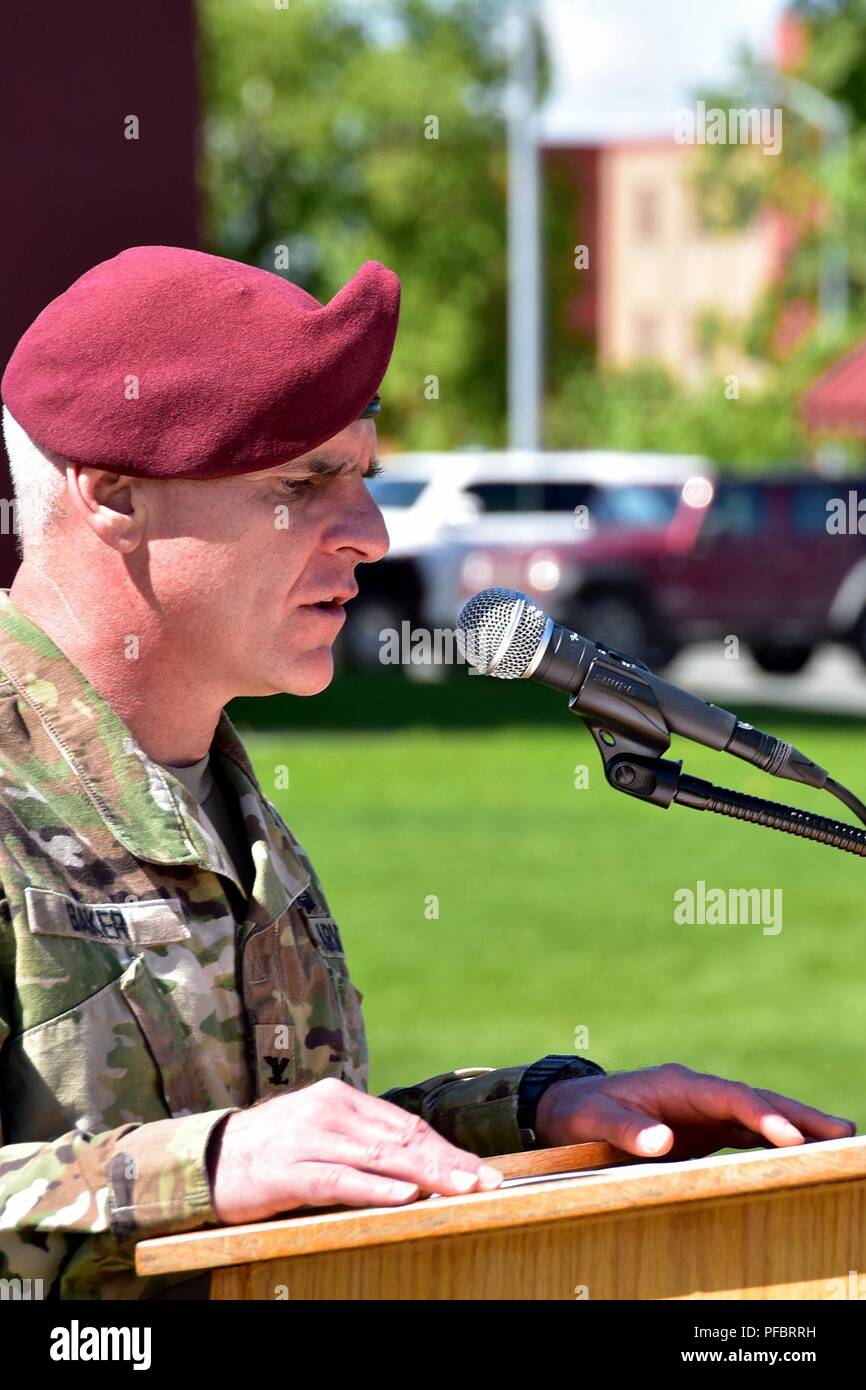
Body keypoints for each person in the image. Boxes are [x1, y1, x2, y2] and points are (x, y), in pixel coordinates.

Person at [0, 247, 854, 1299]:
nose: (370, 532)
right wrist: (213, 1164)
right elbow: (228, 1162)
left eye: (361, 474)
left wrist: (537, 1114)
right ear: (115, 494)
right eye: (302, 482)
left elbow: (285, 1157)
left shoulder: (221, 798)